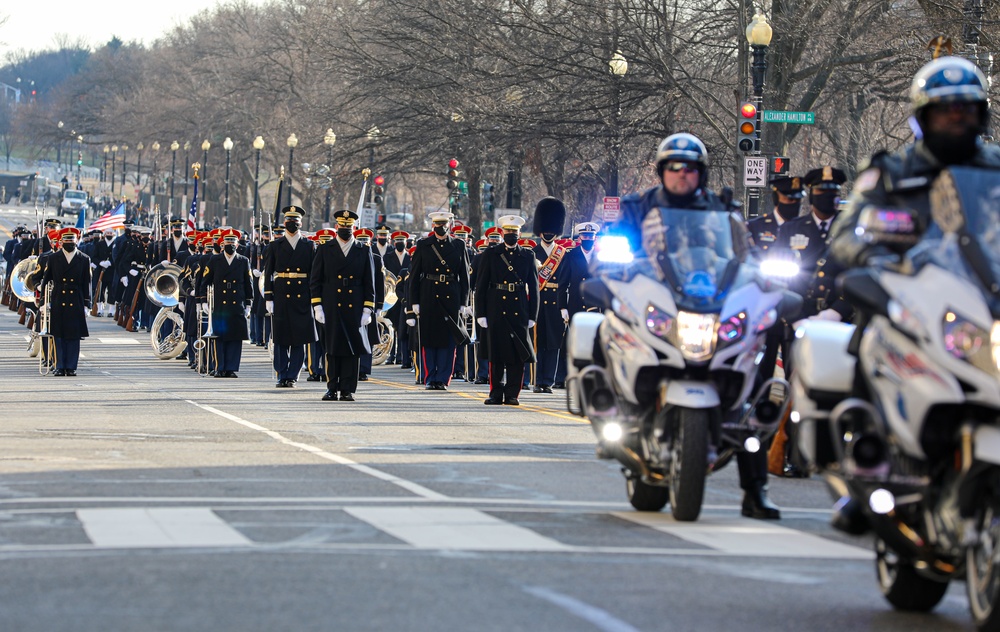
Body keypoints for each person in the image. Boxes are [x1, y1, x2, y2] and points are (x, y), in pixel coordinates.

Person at [824, 56, 1000, 534]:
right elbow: (846, 231)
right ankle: (867, 466)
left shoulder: (996, 168)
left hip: (983, 296)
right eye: (945, 110)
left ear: (981, 114)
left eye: (966, 109)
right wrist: (872, 256)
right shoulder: (892, 171)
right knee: (871, 343)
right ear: (923, 117)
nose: (957, 118)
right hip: (907, 296)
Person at [611, 132, 783, 520]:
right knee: (609, 333)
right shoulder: (638, 208)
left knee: (749, 386)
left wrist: (764, 280)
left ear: (700, 173)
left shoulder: (722, 210)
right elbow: (612, 252)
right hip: (657, 306)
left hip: (709, 309)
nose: (682, 174)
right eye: (674, 167)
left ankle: (755, 490)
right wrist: (610, 270)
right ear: (662, 171)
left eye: (690, 168)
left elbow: (746, 257)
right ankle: (612, 407)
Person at [310, 210, 376, 402]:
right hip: (331, 304)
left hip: (355, 305)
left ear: (354, 228)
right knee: (332, 348)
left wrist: (368, 309)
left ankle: (347, 389)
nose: (345, 229)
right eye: (342, 226)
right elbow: (315, 280)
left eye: (349, 227)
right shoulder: (325, 248)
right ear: (336, 226)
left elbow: (369, 282)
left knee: (352, 349)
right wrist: (317, 306)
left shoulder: (363, 250)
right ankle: (332, 387)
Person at [475, 215, 538, 405]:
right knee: (496, 353)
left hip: (519, 307)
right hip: (496, 306)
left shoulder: (528, 255)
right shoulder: (491, 254)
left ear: (520, 233)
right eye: (508, 231)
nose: (511, 234)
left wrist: (533, 315)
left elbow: (534, 287)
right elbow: (481, 285)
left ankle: (512, 394)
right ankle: (495, 393)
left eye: (514, 232)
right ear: (502, 233)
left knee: (517, 354)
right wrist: (481, 313)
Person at [408, 211, 471, 390]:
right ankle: (430, 377)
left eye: (444, 225)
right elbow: (414, 276)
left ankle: (443, 378)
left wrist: (463, 302)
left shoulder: (458, 245)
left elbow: (464, 276)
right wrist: (414, 302)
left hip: (451, 294)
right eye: (438, 225)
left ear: (449, 226)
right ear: (433, 226)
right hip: (428, 293)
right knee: (429, 338)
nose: (441, 228)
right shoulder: (424, 245)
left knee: (448, 340)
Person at [263, 206, 316, 388]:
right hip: (281, 294)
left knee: (299, 339)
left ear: (300, 223)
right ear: (284, 223)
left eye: (295, 221)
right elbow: (268, 273)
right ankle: (281, 373)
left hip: (302, 295)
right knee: (281, 338)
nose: (292, 224)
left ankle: (292, 375)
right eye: (289, 221)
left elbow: (314, 274)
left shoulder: (309, 245)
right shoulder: (275, 245)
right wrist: (268, 297)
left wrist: (314, 299)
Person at [200, 228, 253, 378]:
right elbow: (205, 281)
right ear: (222, 244)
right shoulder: (215, 260)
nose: (230, 245)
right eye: (228, 242)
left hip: (237, 303)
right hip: (220, 303)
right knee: (219, 336)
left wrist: (248, 303)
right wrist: (203, 301)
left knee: (235, 337)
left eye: (233, 242)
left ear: (237, 245)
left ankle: (231, 368)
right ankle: (219, 367)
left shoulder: (243, 261)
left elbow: (248, 283)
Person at [529, 197, 569, 393]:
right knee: (538, 341)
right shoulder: (531, 253)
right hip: (537, 302)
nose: (549, 233)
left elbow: (567, 281)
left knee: (554, 343)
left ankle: (548, 381)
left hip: (556, 302)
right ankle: (537, 380)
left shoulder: (563, 254)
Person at [41, 228, 91, 376]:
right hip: (58, 298)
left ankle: (71, 367)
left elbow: (87, 283)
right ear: (61, 242)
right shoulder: (53, 258)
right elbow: (46, 280)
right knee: (59, 334)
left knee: (73, 335)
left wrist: (87, 304)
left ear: (76, 242)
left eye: (72, 241)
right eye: (67, 241)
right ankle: (59, 366)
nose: (69, 243)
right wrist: (44, 301)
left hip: (76, 299)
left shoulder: (84, 259)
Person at [748, 176, 804, 253]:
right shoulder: (755, 226)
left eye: (798, 200)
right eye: (790, 199)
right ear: (776, 198)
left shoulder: (806, 228)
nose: (794, 203)